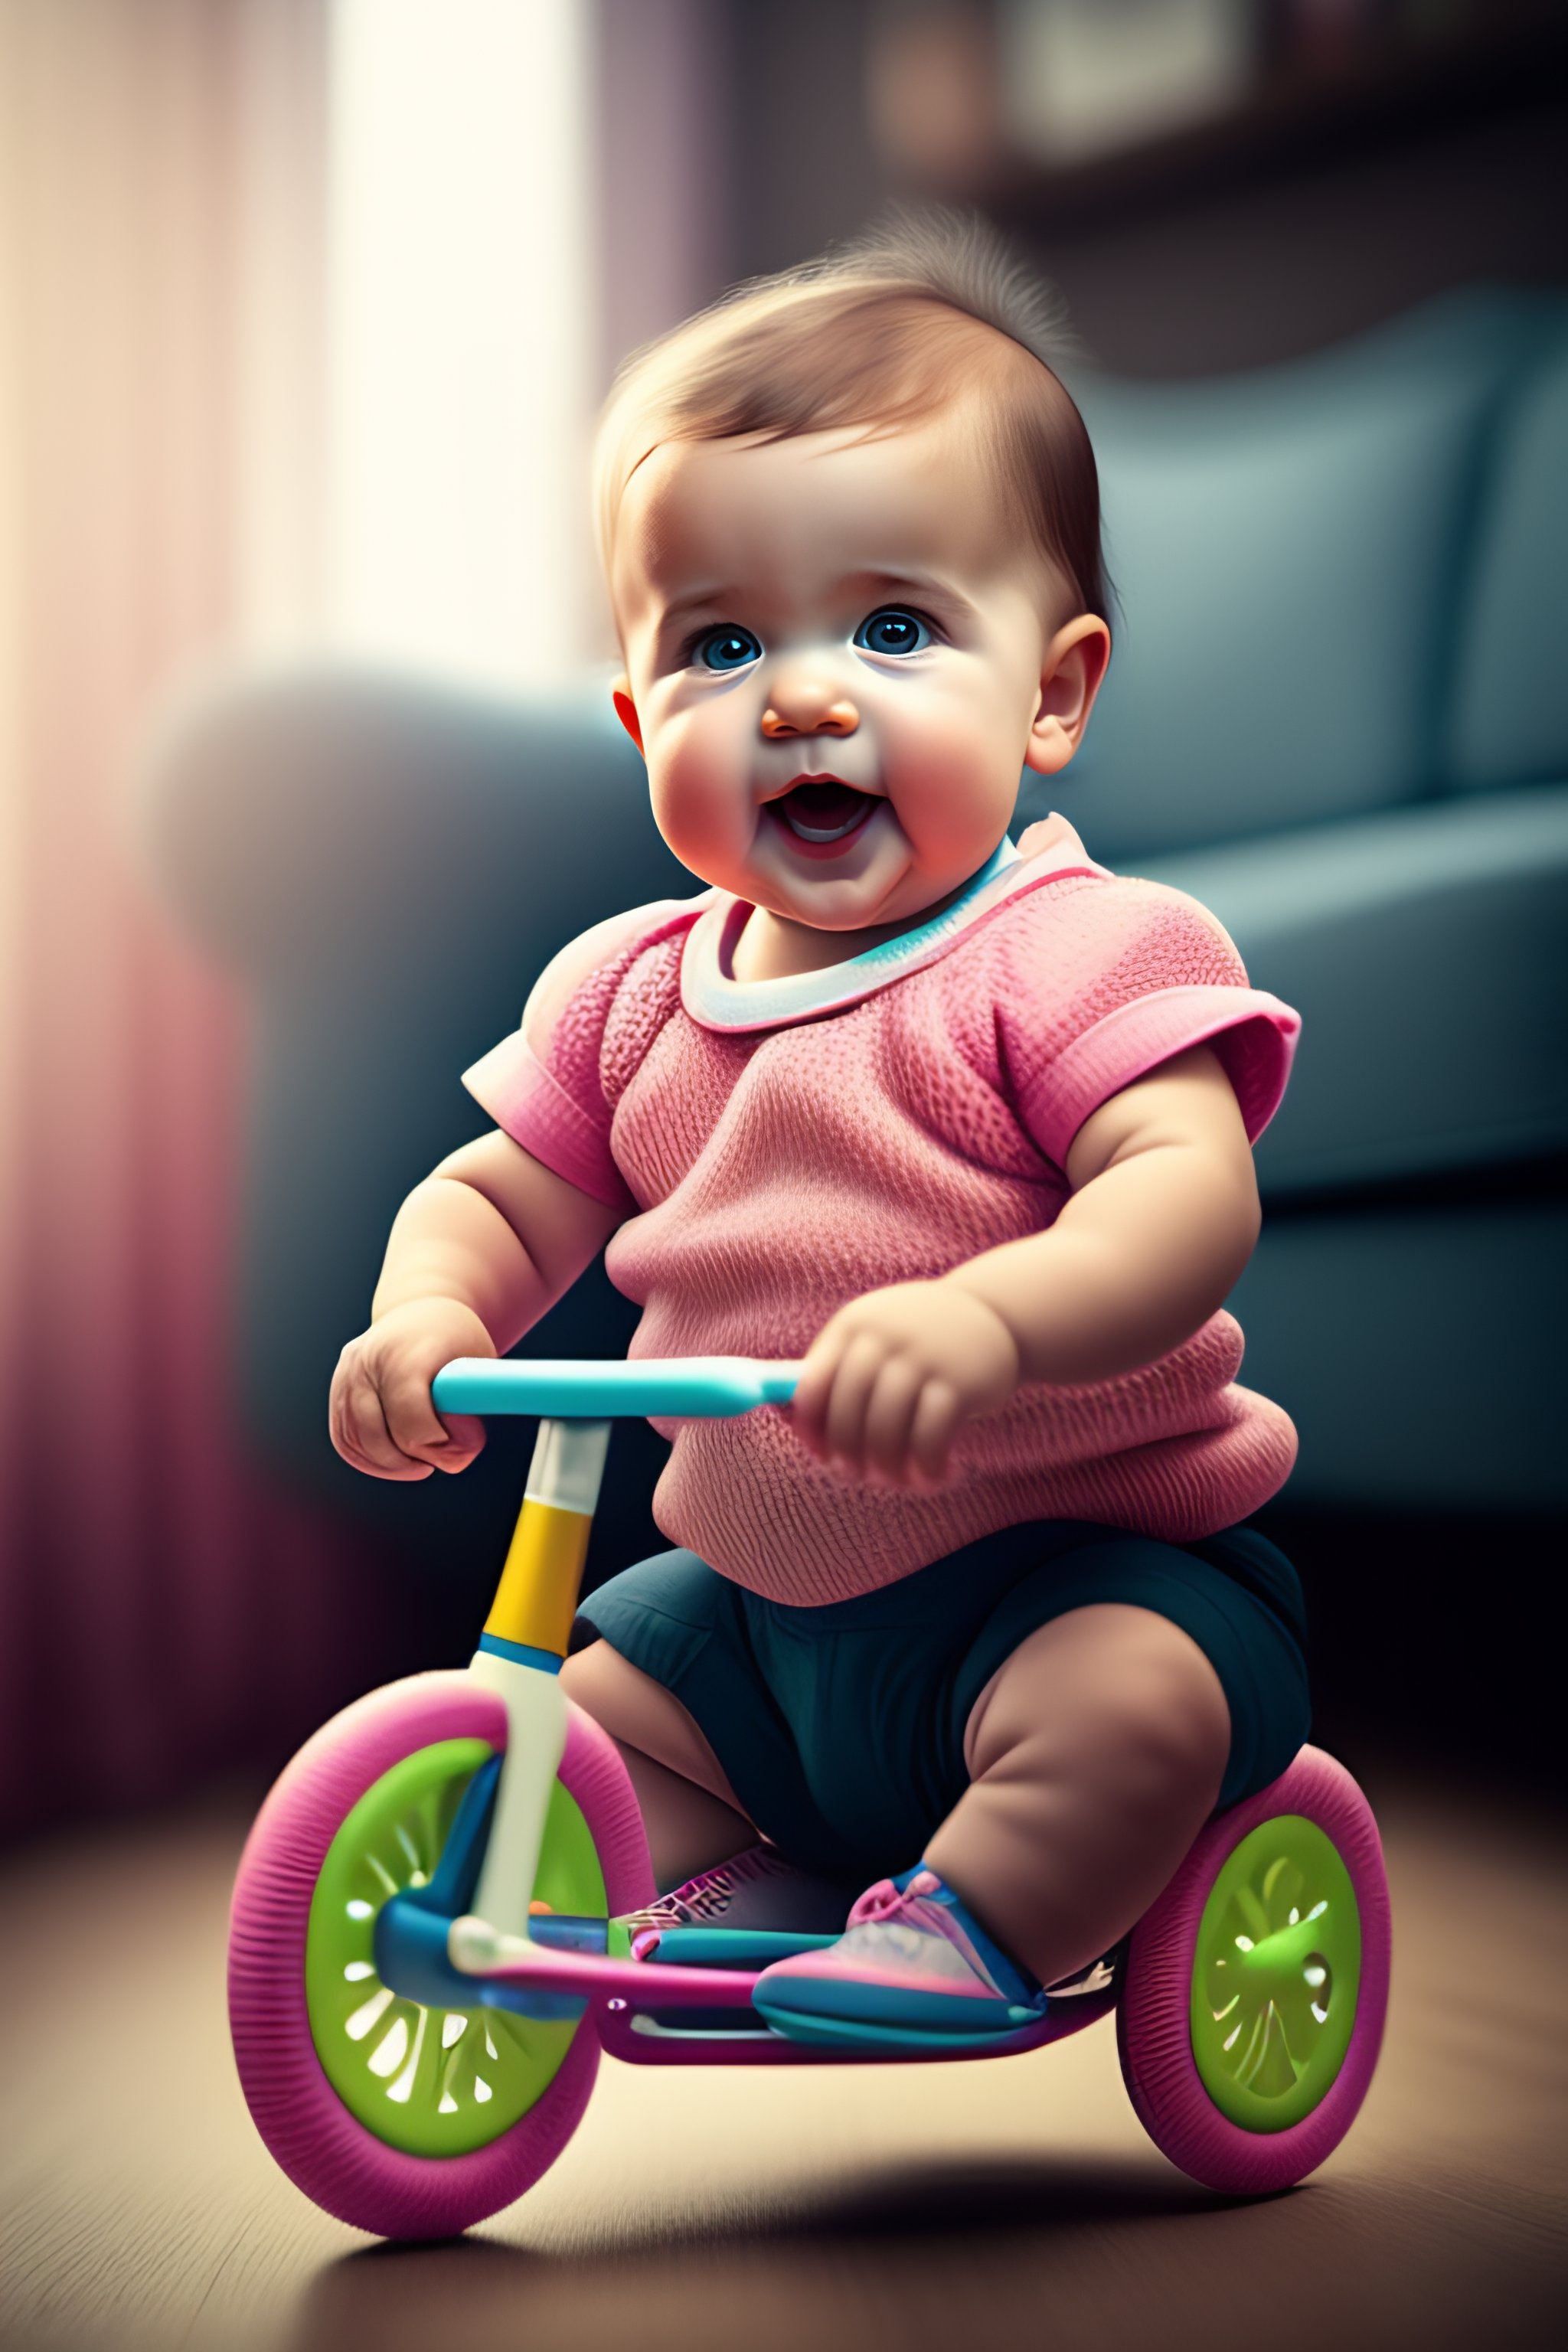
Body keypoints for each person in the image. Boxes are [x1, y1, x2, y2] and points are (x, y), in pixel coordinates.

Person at [328, 214, 1311, 2051]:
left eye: (892, 627)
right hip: (755, 1612)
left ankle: (977, 1918)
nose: (798, 694)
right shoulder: (625, 991)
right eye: (719, 644)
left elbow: (1184, 1194)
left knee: (1128, 1709)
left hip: (1068, 1572)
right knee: (584, 1739)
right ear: (638, 718)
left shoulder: (1083, 952)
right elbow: (500, 1192)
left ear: (1052, 692)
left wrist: (992, 1321)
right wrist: (429, 1310)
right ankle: (724, 1882)